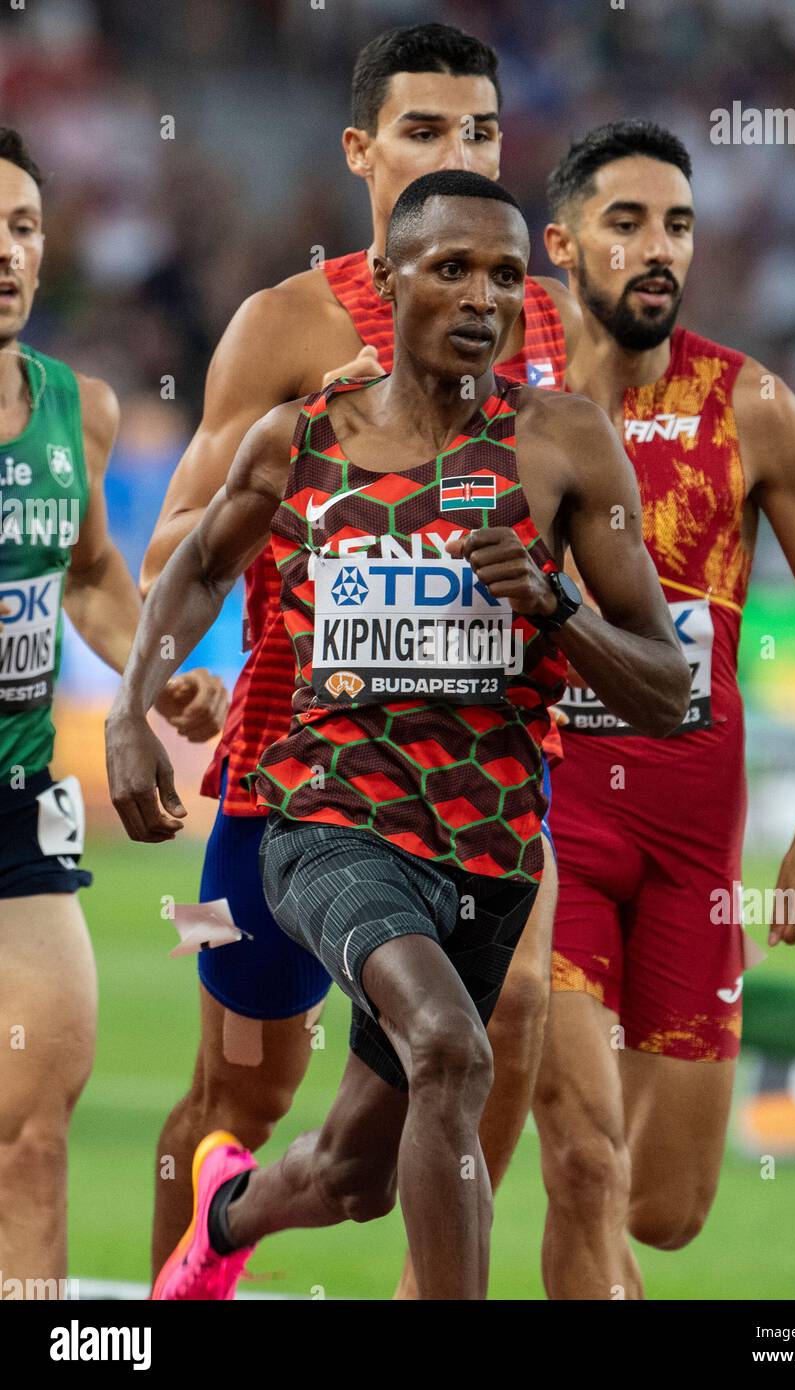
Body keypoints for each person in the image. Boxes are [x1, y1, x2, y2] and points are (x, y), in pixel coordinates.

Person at [106, 170, 690, 1300]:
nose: (483, 297)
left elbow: (668, 688)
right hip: (325, 823)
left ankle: (225, 1217)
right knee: (452, 1049)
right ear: (385, 279)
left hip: (488, 851)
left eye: (507, 276)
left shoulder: (561, 446)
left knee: (353, 1176)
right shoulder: (300, 439)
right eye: (452, 268)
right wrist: (133, 704)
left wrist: (554, 610)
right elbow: (195, 567)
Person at [139, 21, 580, 1288]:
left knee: (497, 1017)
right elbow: (185, 531)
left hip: (483, 773)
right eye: (425, 129)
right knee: (243, 1092)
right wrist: (316, 445)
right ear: (359, 150)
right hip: (292, 769)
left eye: (481, 131)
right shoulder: (285, 325)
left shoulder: (536, 321)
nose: (459, 149)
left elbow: (583, 512)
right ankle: (175, 1281)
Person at [533, 121, 795, 1298]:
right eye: (625, 222)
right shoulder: (505, 406)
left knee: (666, 1208)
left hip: (695, 849)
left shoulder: (753, 406)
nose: (657, 248)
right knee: (582, 1161)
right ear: (562, 243)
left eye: (676, 224)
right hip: (546, 831)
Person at [0, 128, 225, 1290]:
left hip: (16, 812)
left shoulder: (73, 411)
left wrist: (150, 674)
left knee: (35, 1131)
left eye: (23, 228)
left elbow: (87, 574)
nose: (6, 253)